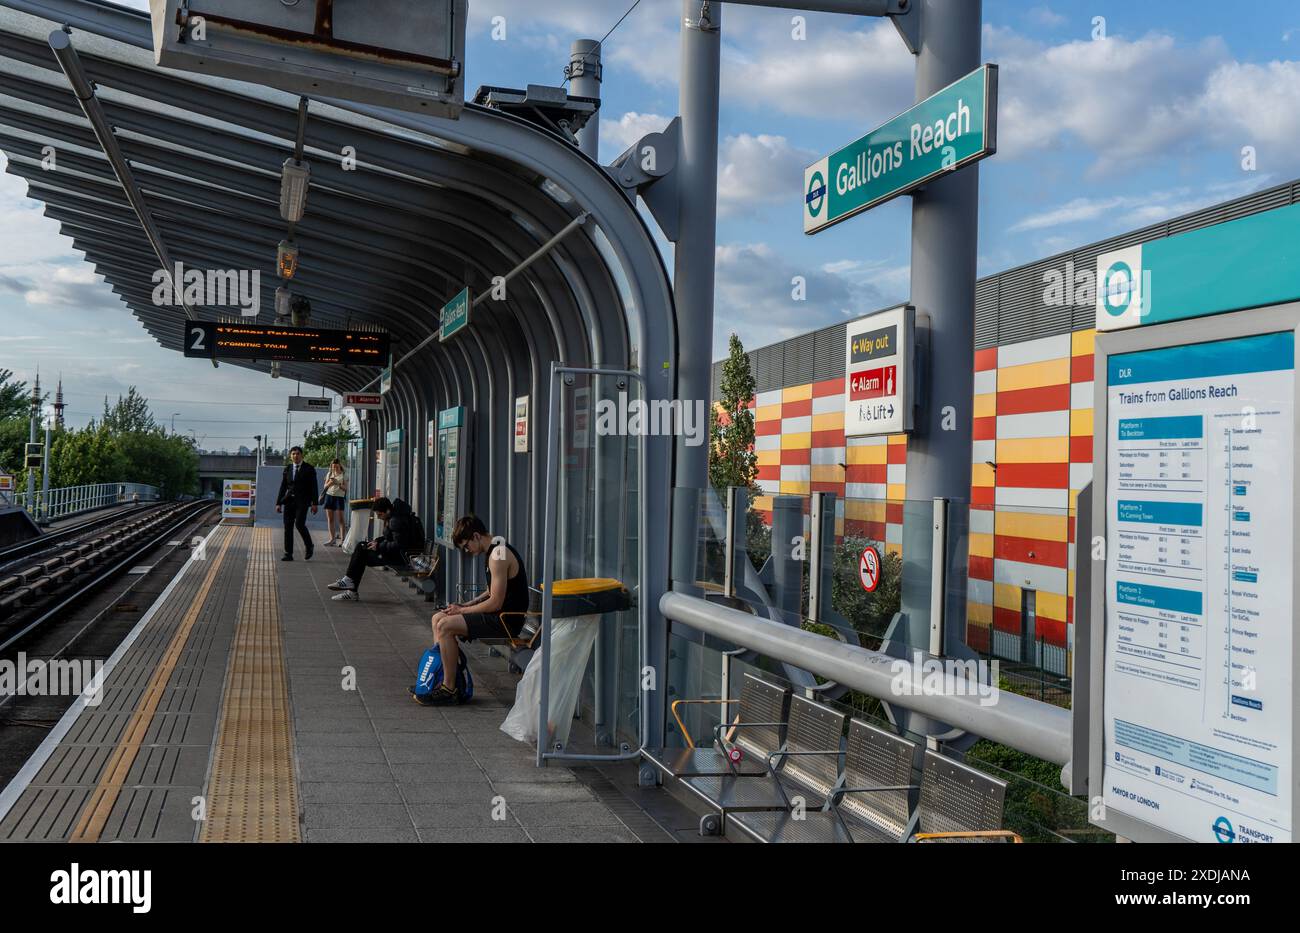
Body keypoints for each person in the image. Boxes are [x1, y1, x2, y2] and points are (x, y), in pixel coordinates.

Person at [416, 515, 529, 706]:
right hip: (497, 616)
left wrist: (463, 611)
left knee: (444, 626)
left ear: (476, 536)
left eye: (467, 546)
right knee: (438, 618)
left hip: (504, 621)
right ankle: (443, 680)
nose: (467, 551)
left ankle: (449, 688)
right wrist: (465, 606)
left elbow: (495, 602)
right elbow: (490, 591)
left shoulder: (497, 555)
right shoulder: (494, 550)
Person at [326, 496, 422, 600]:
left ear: (388, 510)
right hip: (401, 554)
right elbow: (392, 538)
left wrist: (379, 546)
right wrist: (377, 541)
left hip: (401, 558)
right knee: (362, 546)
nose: (379, 517)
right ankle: (349, 584)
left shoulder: (396, 521)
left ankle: (350, 587)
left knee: (361, 553)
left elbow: (399, 544)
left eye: (380, 514)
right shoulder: (397, 516)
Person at [275, 446, 317, 561]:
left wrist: (314, 503)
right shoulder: (287, 468)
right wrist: (278, 503)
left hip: (303, 502)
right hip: (289, 501)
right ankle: (288, 553)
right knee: (287, 527)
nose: (295, 456)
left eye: (298, 453)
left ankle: (309, 546)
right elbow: (283, 486)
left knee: (299, 524)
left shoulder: (309, 469)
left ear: (301, 455)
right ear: (290, 456)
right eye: (293, 454)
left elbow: (314, 487)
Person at [320, 459, 348, 546]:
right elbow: (325, 486)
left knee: (341, 519)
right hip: (329, 496)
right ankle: (332, 539)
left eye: (336, 466)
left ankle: (343, 540)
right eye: (333, 467)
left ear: (340, 466)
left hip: (339, 498)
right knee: (330, 519)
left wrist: (337, 483)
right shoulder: (329, 474)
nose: (335, 468)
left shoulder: (344, 475)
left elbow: (346, 488)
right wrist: (330, 483)